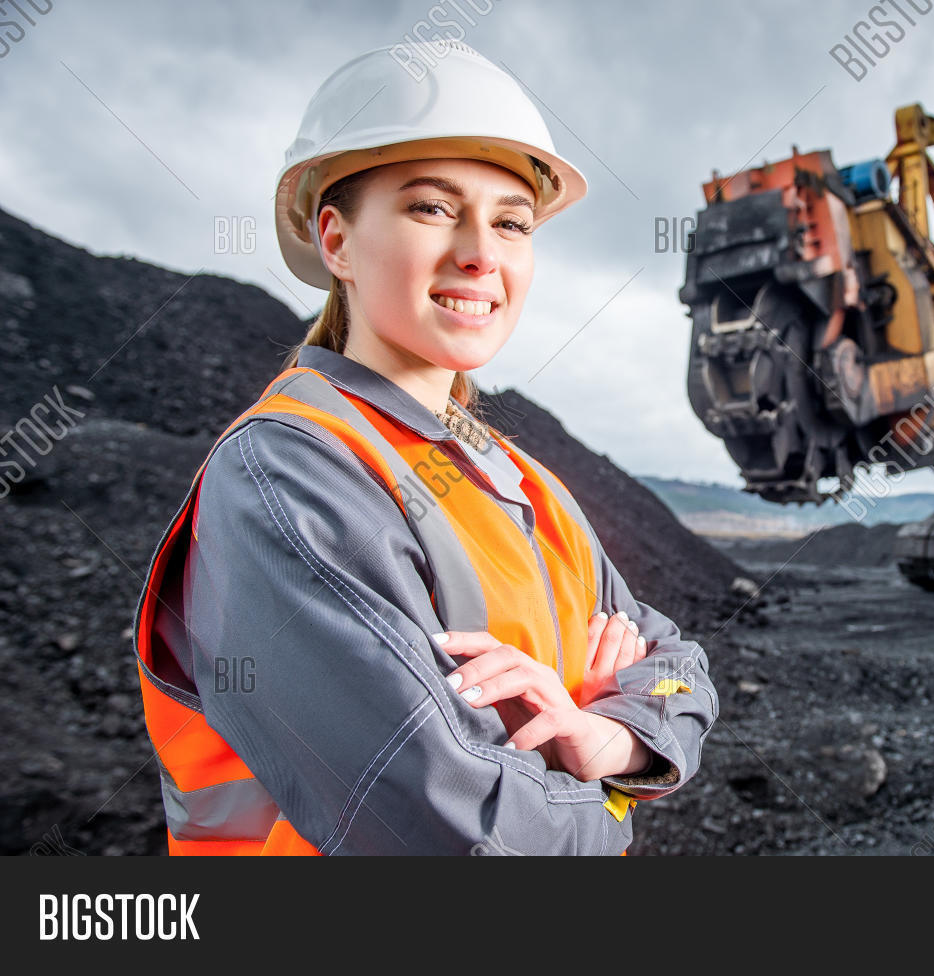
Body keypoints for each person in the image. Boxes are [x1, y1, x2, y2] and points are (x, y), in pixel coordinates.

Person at [132, 42, 718, 855]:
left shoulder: (520, 481)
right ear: (335, 241)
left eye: (512, 221)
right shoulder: (286, 471)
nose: (481, 251)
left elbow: (677, 661)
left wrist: (610, 739)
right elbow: (443, 824)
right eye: (433, 208)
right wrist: (610, 795)